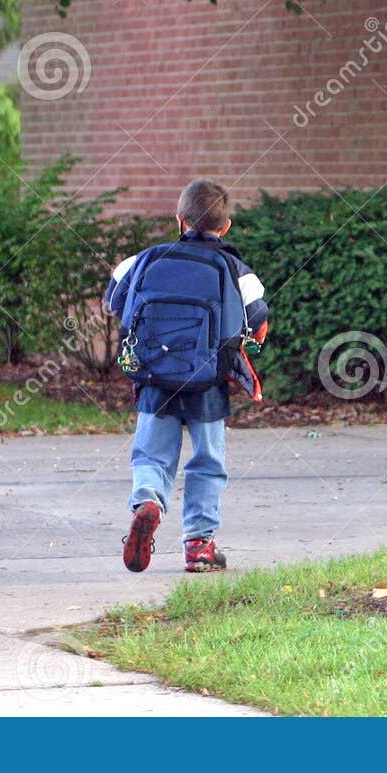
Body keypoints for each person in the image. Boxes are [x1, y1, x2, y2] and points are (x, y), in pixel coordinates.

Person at [106, 179, 268, 573]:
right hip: (208, 381)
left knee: (150, 454)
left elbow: (113, 303)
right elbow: (259, 323)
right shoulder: (235, 269)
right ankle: (199, 545)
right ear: (225, 227)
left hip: (154, 379)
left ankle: (148, 500)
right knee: (208, 461)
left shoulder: (141, 261)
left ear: (178, 219)